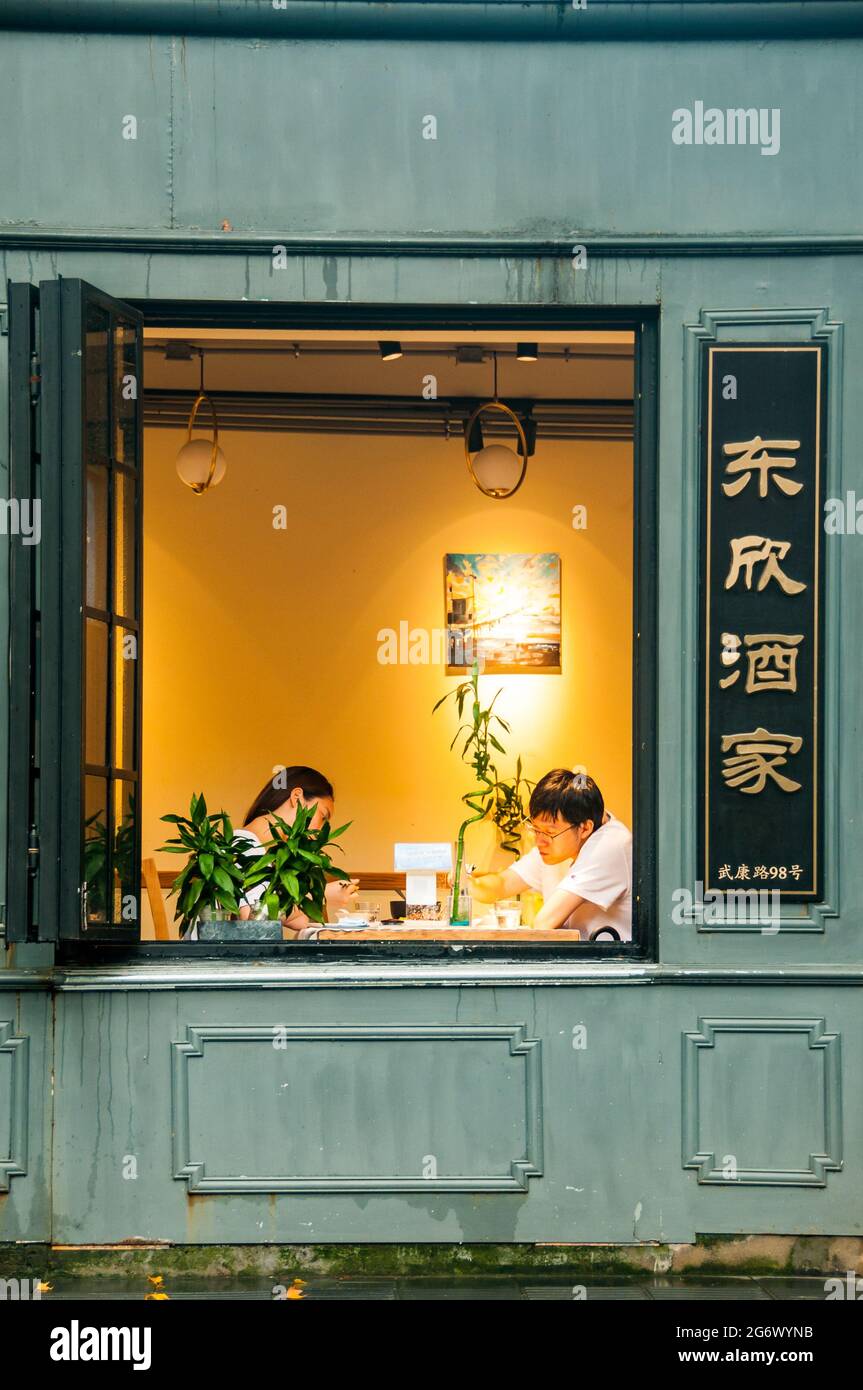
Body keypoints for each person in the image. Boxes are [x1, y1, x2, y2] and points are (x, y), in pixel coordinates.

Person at [469, 770, 632, 941]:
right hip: (579, 960)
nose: (540, 841)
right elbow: (503, 884)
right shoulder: (557, 843)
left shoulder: (610, 844)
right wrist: (468, 883)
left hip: (612, 963)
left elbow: (544, 923)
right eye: (536, 830)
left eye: (548, 832)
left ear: (584, 828)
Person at [237, 765, 358, 927]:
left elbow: (297, 921)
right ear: (297, 797)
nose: (320, 830)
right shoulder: (244, 842)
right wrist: (322, 896)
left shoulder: (280, 853)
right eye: (322, 816)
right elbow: (252, 918)